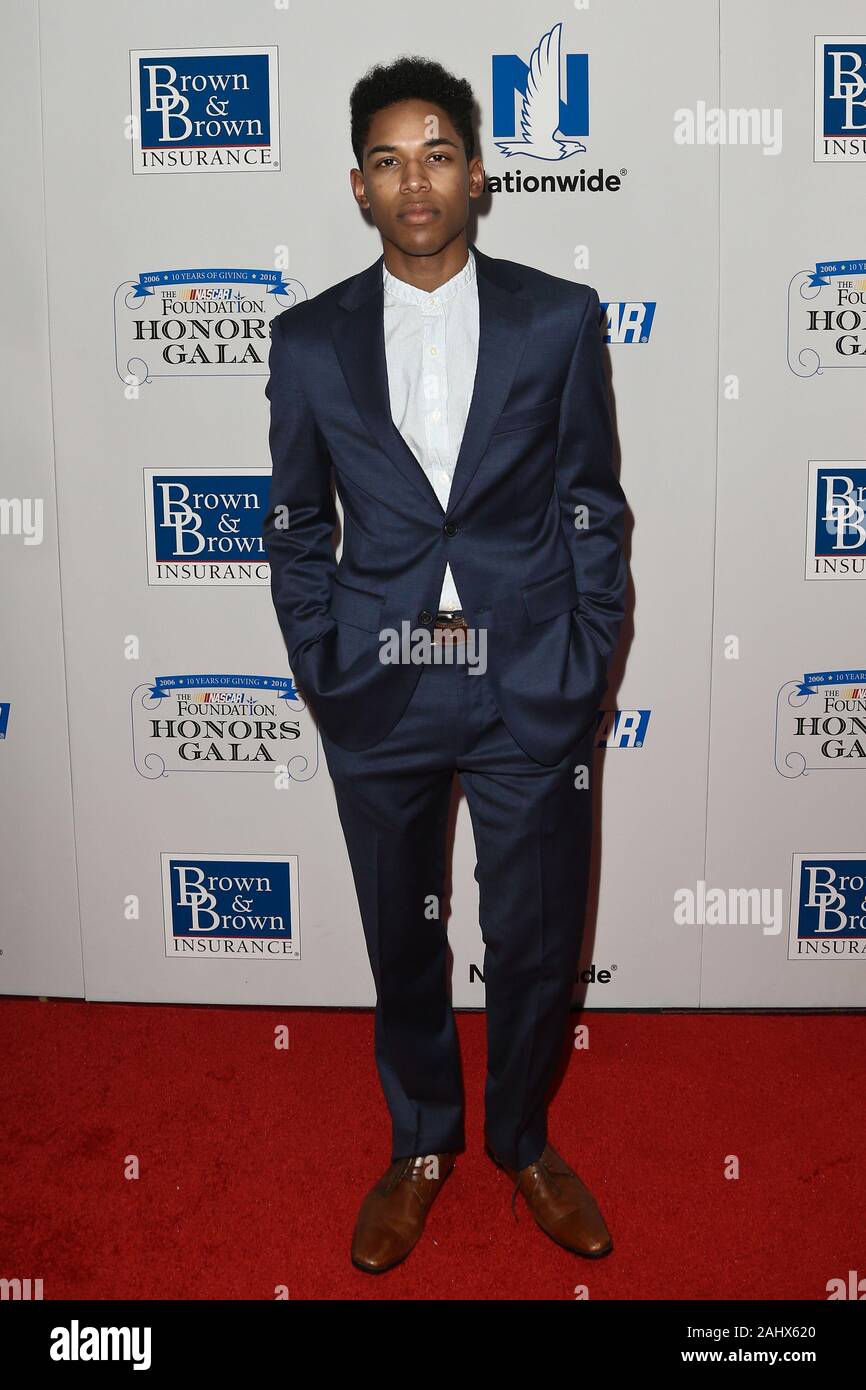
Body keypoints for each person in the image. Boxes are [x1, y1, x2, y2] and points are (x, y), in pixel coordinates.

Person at [263, 55, 627, 1274]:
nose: (412, 179)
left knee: (533, 937)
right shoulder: (308, 341)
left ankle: (521, 1138)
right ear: (357, 187)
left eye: (434, 153)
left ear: (477, 174)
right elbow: (297, 527)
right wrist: (323, 663)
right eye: (385, 158)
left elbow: (592, 506)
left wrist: (583, 659)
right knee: (402, 934)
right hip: (385, 680)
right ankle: (422, 1142)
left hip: (528, 677)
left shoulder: (555, 317)